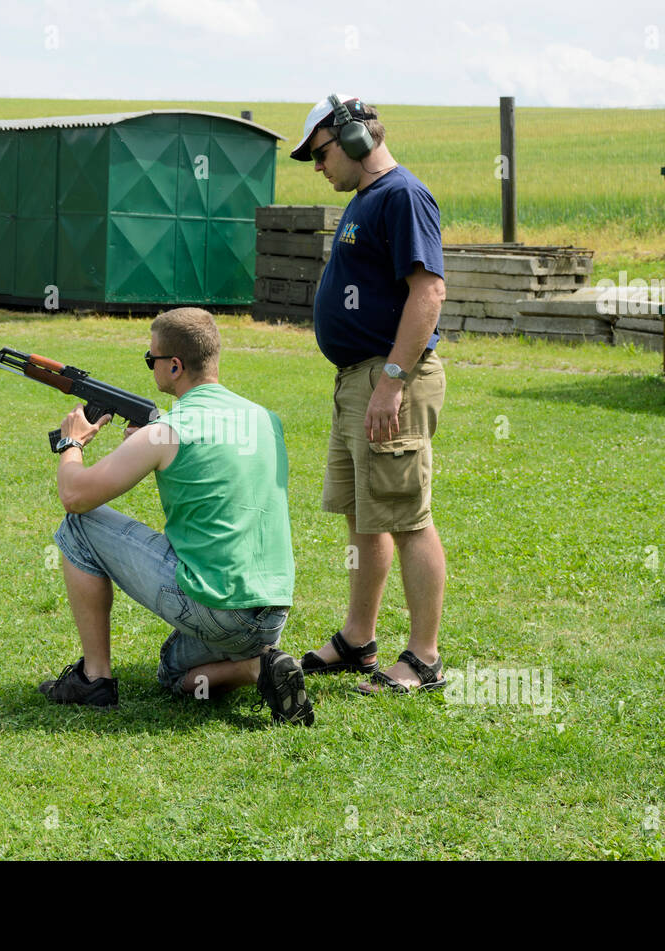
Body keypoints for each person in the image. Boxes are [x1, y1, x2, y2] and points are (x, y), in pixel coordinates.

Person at [40, 307, 312, 725]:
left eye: (151, 360)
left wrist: (70, 443)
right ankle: (259, 667)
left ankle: (94, 678)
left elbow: (75, 495)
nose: (151, 367)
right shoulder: (265, 419)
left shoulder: (165, 431)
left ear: (175, 365)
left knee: (79, 527)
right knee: (172, 671)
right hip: (270, 613)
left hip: (217, 609)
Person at [289, 94, 449, 695]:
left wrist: (392, 382)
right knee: (364, 516)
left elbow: (427, 293)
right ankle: (359, 639)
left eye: (320, 153)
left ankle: (425, 658)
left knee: (407, 518)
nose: (317, 167)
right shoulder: (366, 199)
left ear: (354, 138)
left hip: (388, 380)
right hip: (359, 379)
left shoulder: (402, 195)